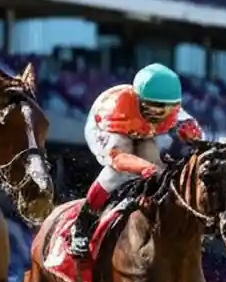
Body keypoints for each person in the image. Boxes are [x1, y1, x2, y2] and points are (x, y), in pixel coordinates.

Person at [69, 63, 204, 258]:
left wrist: (194, 137)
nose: (159, 114)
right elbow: (117, 158)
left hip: (141, 130)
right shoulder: (114, 109)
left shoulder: (171, 109)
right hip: (111, 129)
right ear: (137, 99)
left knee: (156, 166)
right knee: (116, 174)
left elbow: (198, 135)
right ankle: (82, 225)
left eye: (166, 109)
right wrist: (144, 168)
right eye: (153, 108)